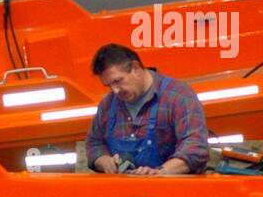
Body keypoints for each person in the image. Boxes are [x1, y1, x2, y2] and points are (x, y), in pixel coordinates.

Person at [85, 43, 209, 176]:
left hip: (171, 191)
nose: (115, 90)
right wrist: (104, 160)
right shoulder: (108, 105)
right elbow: (94, 143)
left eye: (118, 81)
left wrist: (162, 172)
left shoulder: (178, 96)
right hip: (122, 191)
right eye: (109, 85)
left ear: (136, 68)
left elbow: (195, 146)